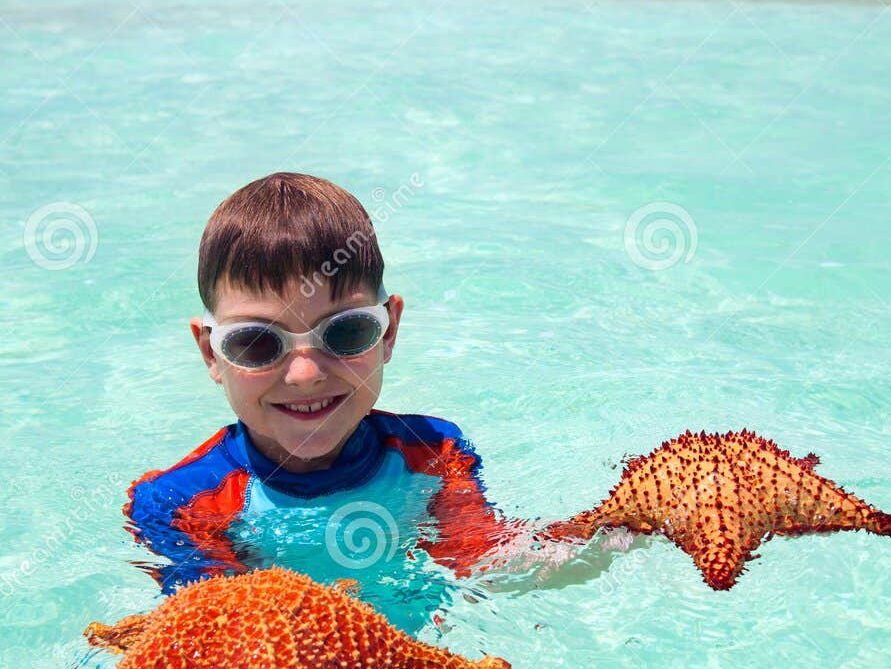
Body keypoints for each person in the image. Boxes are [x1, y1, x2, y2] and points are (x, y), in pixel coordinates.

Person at [124, 172, 630, 593]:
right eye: (257, 342)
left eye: (345, 332)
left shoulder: (433, 454)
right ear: (210, 352)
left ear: (389, 332)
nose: (305, 374)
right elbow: (212, 640)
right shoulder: (176, 505)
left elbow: (488, 566)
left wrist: (617, 528)